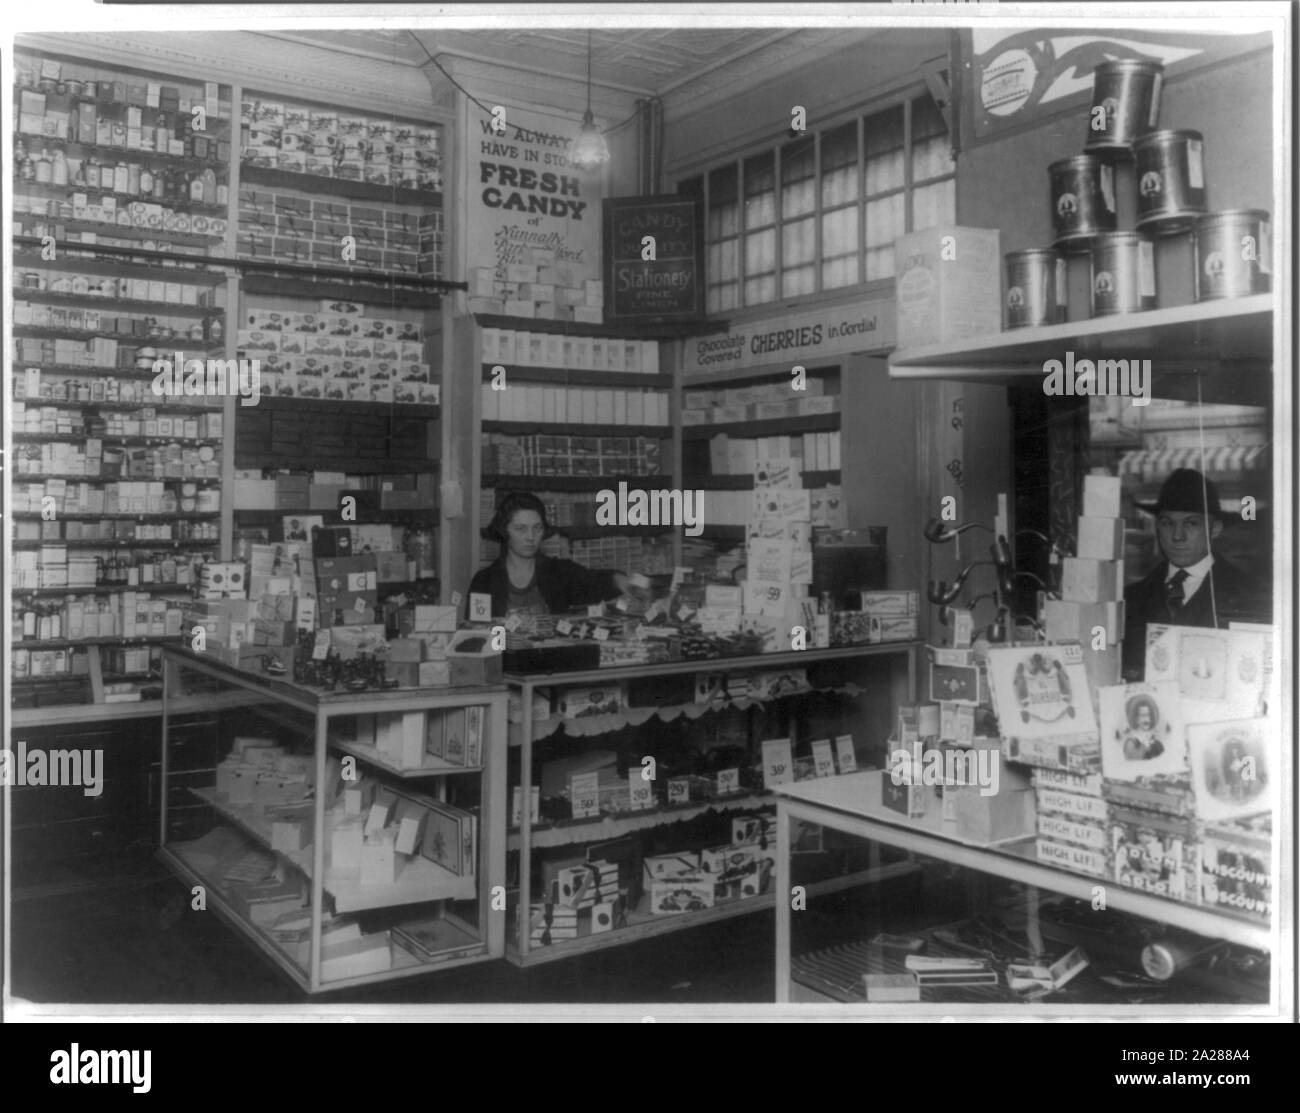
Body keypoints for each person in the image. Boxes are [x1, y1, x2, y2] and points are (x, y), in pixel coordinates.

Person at [1121, 468, 1266, 680]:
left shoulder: (1250, 595)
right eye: (1167, 523)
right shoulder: (1130, 599)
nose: (1177, 536)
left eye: (1191, 523)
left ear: (1215, 529)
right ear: (1157, 527)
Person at [466, 491, 631, 619]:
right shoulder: (484, 582)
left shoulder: (560, 572)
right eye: (521, 529)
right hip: (504, 660)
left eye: (537, 528)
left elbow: (594, 581)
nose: (530, 537)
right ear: (504, 531)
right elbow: (478, 635)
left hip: (552, 660)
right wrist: (509, 643)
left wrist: (618, 580)